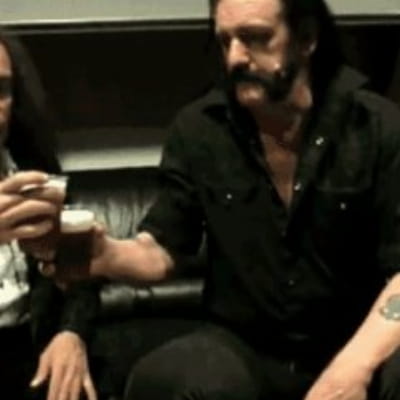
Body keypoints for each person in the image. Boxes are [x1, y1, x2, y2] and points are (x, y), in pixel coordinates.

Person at [43, 0, 400, 399]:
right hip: (245, 348)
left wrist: (352, 369)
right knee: (167, 377)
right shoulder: (200, 129)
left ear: (306, 38)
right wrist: (106, 253)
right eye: (225, 41)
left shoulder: (377, 126)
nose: (235, 58)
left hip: (354, 339)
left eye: (255, 38)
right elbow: (164, 250)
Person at [0, 30, 98, 400]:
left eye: (2, 89)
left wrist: (71, 333)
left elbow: (80, 276)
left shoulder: (31, 166)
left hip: (27, 347)